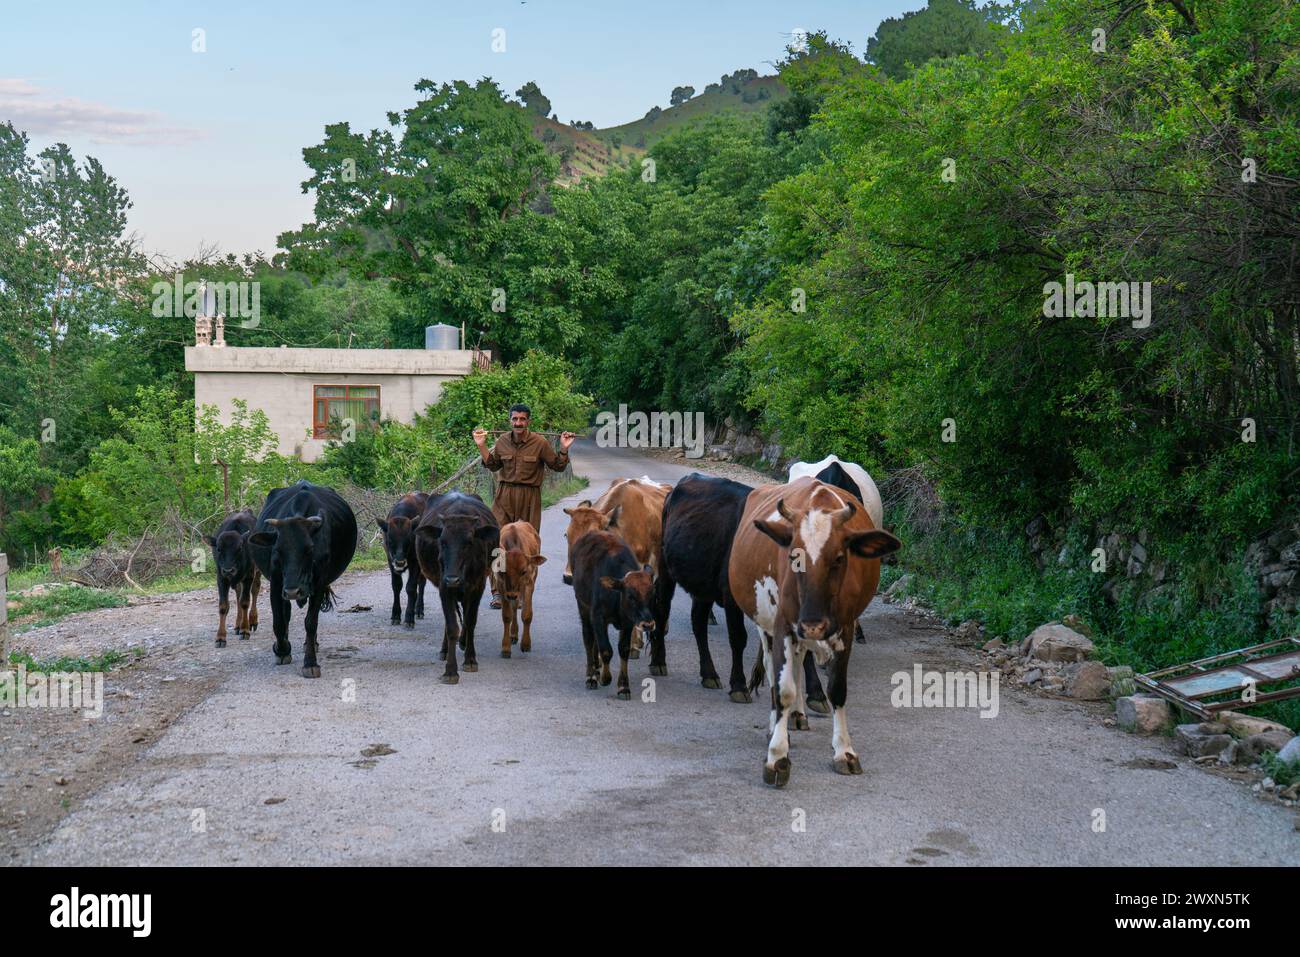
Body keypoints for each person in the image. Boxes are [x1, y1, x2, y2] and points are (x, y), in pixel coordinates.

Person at [474, 405, 576, 608]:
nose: (518, 423)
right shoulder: (502, 441)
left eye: (522, 419)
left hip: (530, 497)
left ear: (528, 421)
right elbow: (493, 465)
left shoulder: (539, 442)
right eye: (515, 419)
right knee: (497, 545)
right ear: (510, 420)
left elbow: (557, 466)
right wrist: (481, 445)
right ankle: (497, 593)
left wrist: (564, 448)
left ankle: (519, 591)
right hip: (503, 496)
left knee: (525, 546)